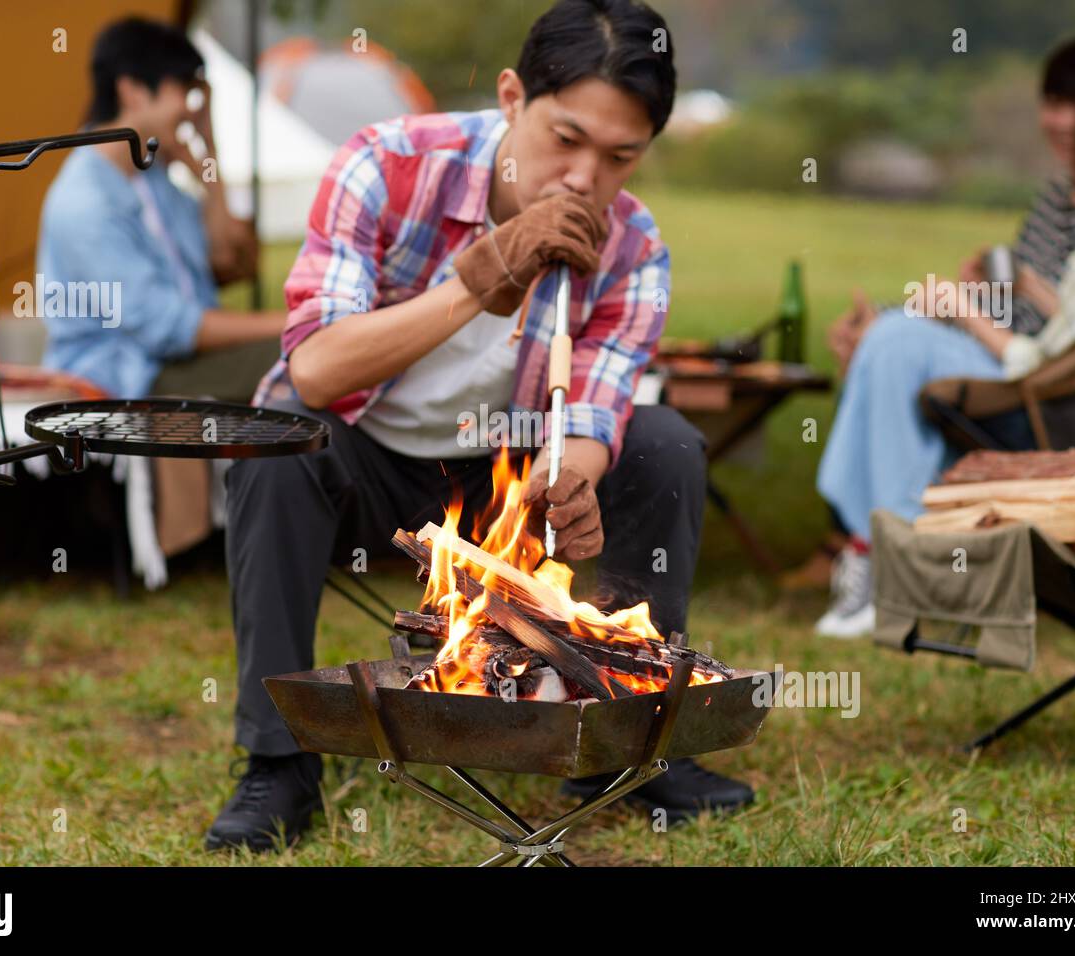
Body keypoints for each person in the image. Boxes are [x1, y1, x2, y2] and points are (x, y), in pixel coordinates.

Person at [208, 0, 755, 853]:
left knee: (664, 443)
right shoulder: (384, 165)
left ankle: (628, 740)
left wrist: (568, 477)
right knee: (275, 435)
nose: (583, 178)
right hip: (371, 465)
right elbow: (315, 367)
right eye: (564, 138)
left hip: (504, 479)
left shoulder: (634, 247)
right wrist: (479, 279)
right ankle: (279, 760)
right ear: (510, 97)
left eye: (620, 157)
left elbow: (594, 408)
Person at [816, 62, 1075, 638]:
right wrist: (1025, 287)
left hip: (1049, 411)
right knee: (898, 332)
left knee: (898, 338)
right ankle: (874, 544)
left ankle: (887, 552)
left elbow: (1037, 364)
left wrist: (964, 311)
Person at [37, 18, 286, 403]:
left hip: (178, 365)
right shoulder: (85, 201)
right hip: (130, 380)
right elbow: (169, 328)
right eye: (182, 89)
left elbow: (233, 259)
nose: (190, 108)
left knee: (313, 359)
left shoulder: (151, 180)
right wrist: (290, 324)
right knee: (303, 359)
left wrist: (210, 153)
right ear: (133, 91)